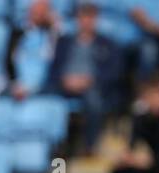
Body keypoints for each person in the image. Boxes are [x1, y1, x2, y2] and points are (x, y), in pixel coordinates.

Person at [47, 2, 122, 150]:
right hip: (65, 83)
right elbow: (53, 68)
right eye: (83, 17)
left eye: (90, 17)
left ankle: (90, 145)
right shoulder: (64, 42)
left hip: (91, 85)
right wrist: (65, 80)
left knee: (94, 102)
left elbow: (114, 71)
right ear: (77, 19)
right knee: (47, 98)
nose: (86, 21)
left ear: (96, 19)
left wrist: (89, 80)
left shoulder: (107, 44)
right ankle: (55, 145)